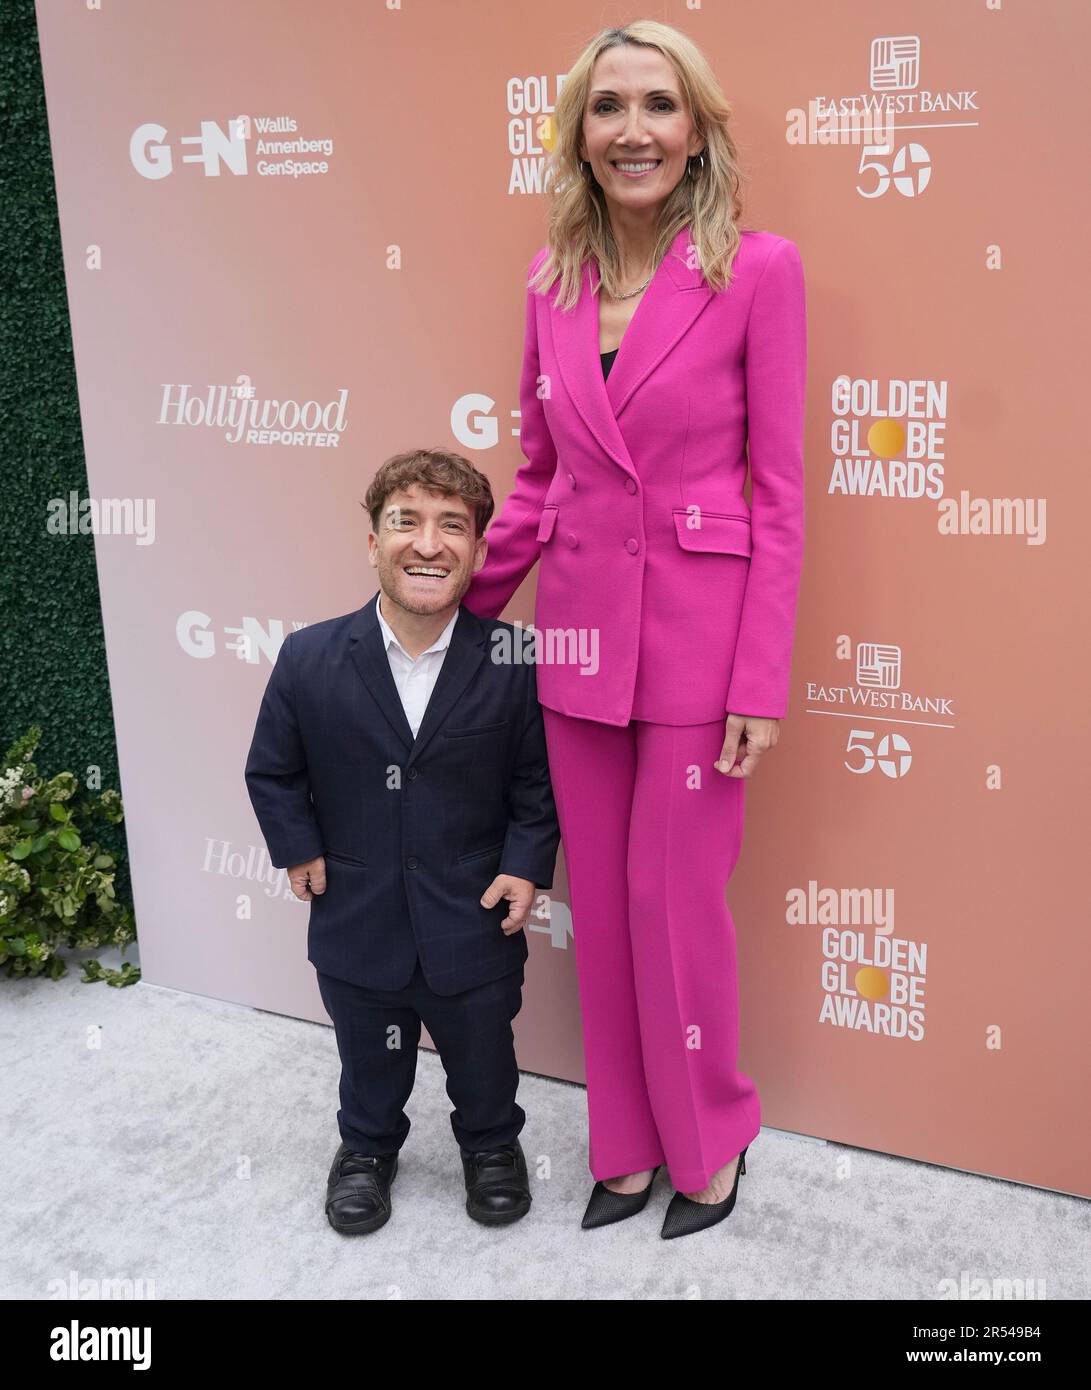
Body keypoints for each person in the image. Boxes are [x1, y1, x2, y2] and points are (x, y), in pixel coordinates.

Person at [461, 20, 807, 1240]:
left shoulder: (757, 270)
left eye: (657, 105)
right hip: (577, 646)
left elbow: (778, 491)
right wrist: (461, 613)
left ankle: (707, 1137)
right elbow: (542, 474)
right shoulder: (548, 283)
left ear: (697, 127)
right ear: (577, 135)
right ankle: (625, 1143)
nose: (632, 131)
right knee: (597, 910)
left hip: (700, 651)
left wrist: (757, 678)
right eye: (606, 108)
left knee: (674, 906)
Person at [244, 451, 560, 1235]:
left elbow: (535, 785)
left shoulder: (513, 659)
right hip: (355, 917)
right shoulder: (310, 656)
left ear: (481, 553)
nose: (428, 543)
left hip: (473, 920)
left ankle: (491, 1147)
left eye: (452, 526)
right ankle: (365, 1150)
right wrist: (298, 848)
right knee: (369, 1059)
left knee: (483, 1056)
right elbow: (272, 771)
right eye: (405, 522)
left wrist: (525, 867)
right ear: (373, 540)